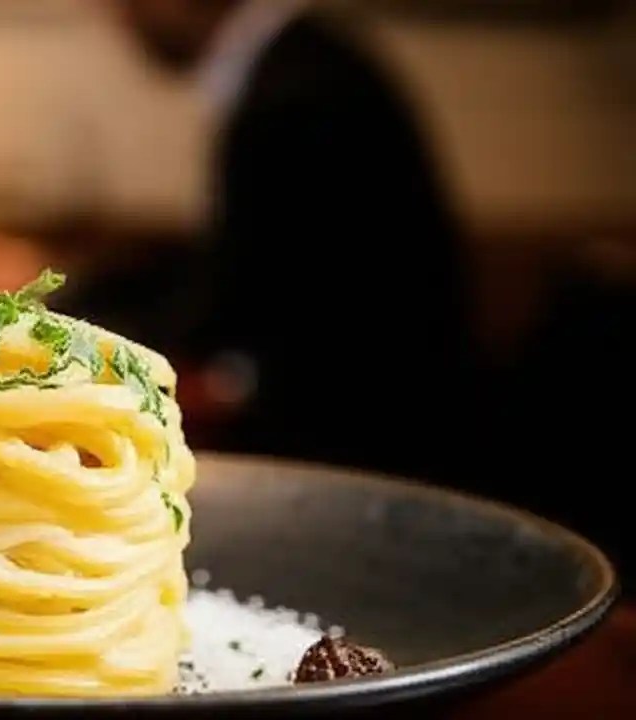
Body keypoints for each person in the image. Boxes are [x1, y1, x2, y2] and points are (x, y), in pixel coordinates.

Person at [60, 0, 475, 483]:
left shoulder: (296, 97)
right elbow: (246, 262)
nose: (118, 15)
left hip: (370, 450)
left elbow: (240, 305)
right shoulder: (300, 60)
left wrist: (75, 325)